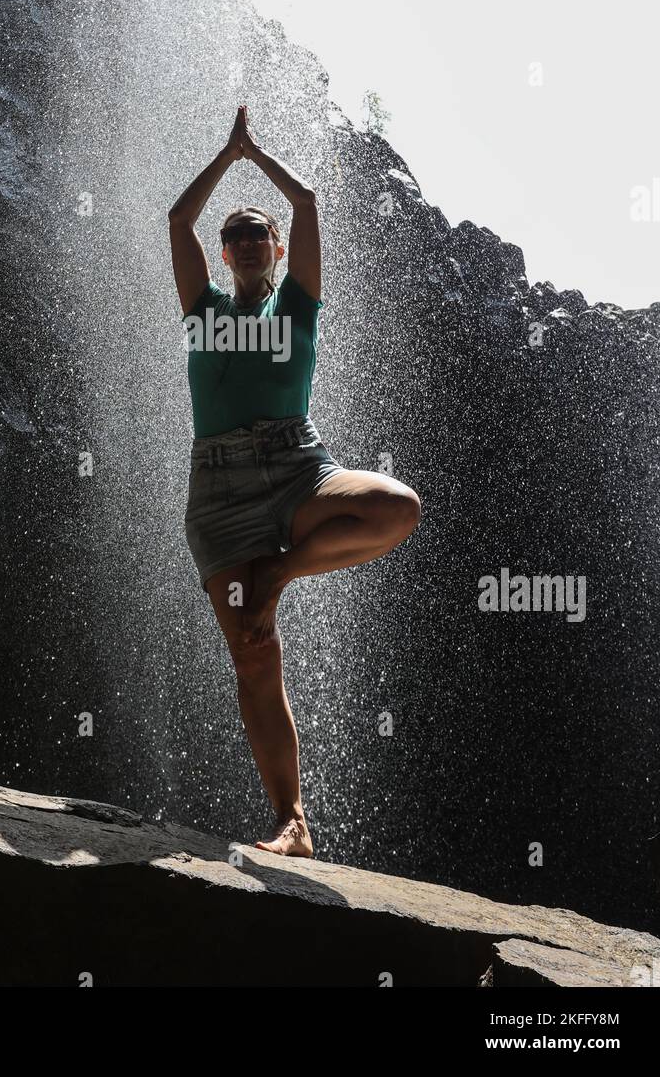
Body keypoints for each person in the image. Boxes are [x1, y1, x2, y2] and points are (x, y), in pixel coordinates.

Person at [167, 105, 421, 857]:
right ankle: (293, 820)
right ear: (223, 253)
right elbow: (178, 219)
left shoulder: (298, 304)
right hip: (217, 489)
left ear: (275, 248)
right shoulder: (202, 308)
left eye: (257, 232)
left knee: (395, 508)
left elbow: (308, 202)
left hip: (297, 465)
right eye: (234, 234)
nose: (245, 240)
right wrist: (224, 155)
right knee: (252, 650)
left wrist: (258, 154)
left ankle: (280, 570)